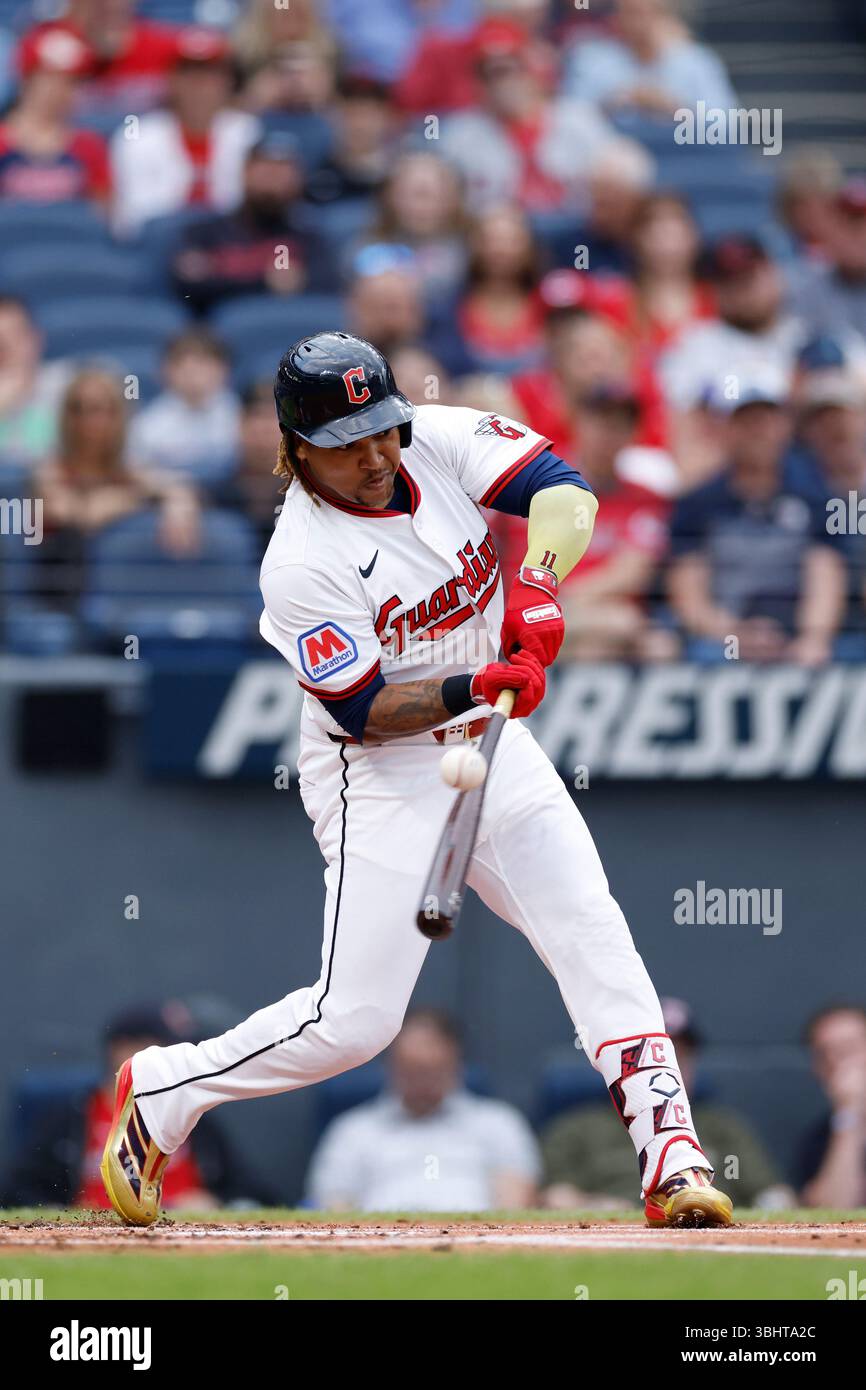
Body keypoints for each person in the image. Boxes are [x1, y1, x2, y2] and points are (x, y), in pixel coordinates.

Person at [100, 329, 733, 1233]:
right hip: (379, 772)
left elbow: (561, 487)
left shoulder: (431, 437)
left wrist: (542, 588)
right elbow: (362, 709)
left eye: (380, 430)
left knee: (592, 931)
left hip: (492, 742)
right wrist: (481, 680)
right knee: (352, 1024)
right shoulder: (300, 561)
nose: (372, 454)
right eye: (343, 441)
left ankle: (674, 1156)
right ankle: (167, 1087)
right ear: (295, 449)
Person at [0, 1007, 273, 1211]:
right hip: (94, 1240)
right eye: (165, 1047)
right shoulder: (71, 1117)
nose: (176, 1057)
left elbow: (255, 1191)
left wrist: (214, 1201)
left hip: (182, 1235)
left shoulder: (195, 1115)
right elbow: (18, 1191)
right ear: (122, 1049)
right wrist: (65, 1212)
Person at [667, 372, 847, 666]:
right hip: (723, 639)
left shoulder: (816, 496)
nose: (758, 431)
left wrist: (813, 639)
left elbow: (825, 572)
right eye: (746, 421)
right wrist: (733, 634)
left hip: (796, 636)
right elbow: (689, 590)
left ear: (784, 426)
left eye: (766, 420)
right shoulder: (697, 503)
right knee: (705, 658)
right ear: (727, 428)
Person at [542, 998, 791, 1211]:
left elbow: (773, 1195)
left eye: (679, 1057)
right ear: (626, 1061)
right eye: (658, 1057)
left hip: (706, 1235)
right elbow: (555, 1197)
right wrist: (601, 1207)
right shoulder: (579, 1128)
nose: (669, 1068)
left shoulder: (723, 1127)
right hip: (618, 1238)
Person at [306, 1010, 540, 1211]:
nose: (421, 1082)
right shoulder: (352, 1131)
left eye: (431, 1070)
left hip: (475, 1248)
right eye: (411, 1070)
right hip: (380, 1250)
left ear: (455, 1064)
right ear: (391, 1066)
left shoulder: (499, 1123)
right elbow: (332, 1207)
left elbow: (515, 1206)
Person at [32, 369, 199, 610]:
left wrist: (178, 502)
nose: (91, 420)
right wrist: (141, 499)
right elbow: (80, 514)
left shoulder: (129, 470)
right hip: (58, 596)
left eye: (102, 409)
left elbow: (176, 487)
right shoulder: (50, 470)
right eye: (79, 409)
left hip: (124, 595)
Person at [440, 17, 615, 213]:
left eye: (511, 68)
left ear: (531, 69)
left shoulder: (578, 117)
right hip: (500, 237)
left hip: (575, 233)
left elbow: (613, 183)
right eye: (490, 74)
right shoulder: (460, 135)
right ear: (477, 83)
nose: (504, 83)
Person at [110, 27, 260, 237]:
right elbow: (133, 217)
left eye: (209, 75)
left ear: (227, 82)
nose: (199, 86)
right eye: (189, 74)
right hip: (161, 246)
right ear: (171, 81)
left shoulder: (249, 132)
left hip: (232, 247)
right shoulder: (138, 136)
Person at [171, 132, 330, 315]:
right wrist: (265, 282)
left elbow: (325, 288)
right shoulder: (203, 232)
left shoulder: (309, 236)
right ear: (245, 172)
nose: (272, 178)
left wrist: (221, 275)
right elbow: (189, 289)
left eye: (282, 170)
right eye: (265, 168)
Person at [563, 0, 736, 116]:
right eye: (633, 13)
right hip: (615, 159)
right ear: (617, 16)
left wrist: (676, 109)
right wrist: (613, 104)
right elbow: (573, 120)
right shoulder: (590, 59)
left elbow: (726, 122)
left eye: (651, 13)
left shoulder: (696, 61)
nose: (642, 22)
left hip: (683, 156)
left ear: (666, 16)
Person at [0, 26, 110, 205]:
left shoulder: (89, 147)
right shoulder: (2, 142)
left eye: (70, 82)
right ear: (27, 79)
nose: (58, 90)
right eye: (49, 78)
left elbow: (104, 216)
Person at [127, 331, 240, 483]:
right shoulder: (147, 424)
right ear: (165, 371)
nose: (193, 372)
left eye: (203, 363)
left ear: (224, 369)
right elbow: (135, 469)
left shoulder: (242, 415)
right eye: (182, 364)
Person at [795, 1005, 866, 1209]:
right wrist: (849, 1113)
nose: (836, 1062)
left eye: (848, 1049)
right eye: (824, 1054)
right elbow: (834, 1212)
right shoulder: (820, 1139)